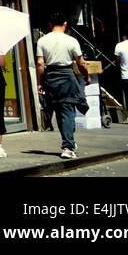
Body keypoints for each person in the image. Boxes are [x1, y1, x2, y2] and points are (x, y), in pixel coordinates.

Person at [35, 11, 90, 159]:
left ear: (50, 25)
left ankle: (68, 139)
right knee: (67, 110)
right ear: (65, 24)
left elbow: (40, 63)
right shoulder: (71, 41)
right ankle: (67, 146)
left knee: (60, 110)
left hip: (50, 76)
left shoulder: (42, 41)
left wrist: (39, 82)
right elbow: (81, 63)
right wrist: (87, 76)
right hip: (66, 75)